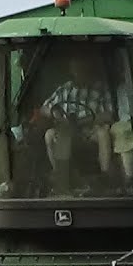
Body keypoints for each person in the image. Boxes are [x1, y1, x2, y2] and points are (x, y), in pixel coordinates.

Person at [35, 52, 116, 195]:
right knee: (50, 134)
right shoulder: (65, 89)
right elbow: (44, 108)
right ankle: (60, 177)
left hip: (91, 130)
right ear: (72, 71)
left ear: (89, 69)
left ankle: (105, 178)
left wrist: (88, 120)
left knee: (104, 133)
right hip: (67, 130)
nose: (80, 72)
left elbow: (110, 114)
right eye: (76, 69)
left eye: (83, 69)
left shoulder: (100, 88)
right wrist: (54, 113)